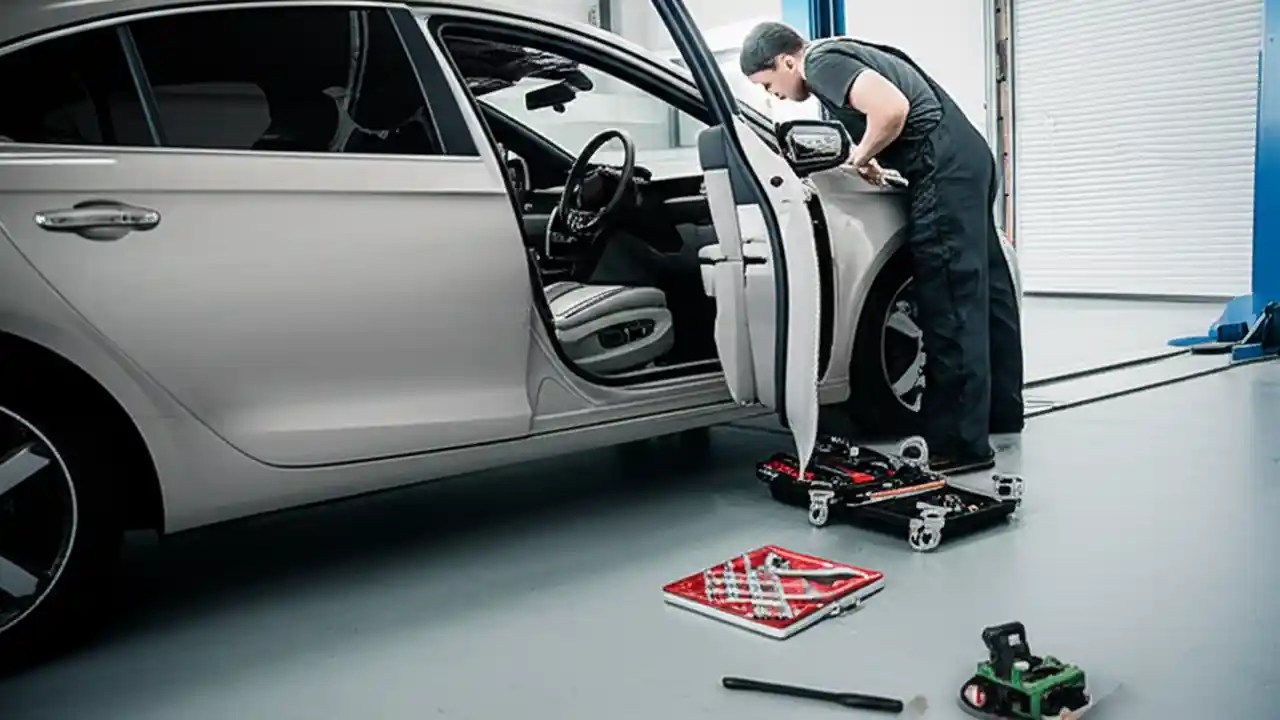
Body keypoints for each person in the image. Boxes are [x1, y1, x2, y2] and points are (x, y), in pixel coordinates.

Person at [739, 22, 1024, 473]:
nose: (774, 96)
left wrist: (858, 158)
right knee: (987, 292)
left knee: (949, 301)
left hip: (941, 167)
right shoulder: (845, 54)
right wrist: (873, 153)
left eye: (769, 84)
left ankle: (961, 443)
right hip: (967, 158)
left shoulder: (822, 63)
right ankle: (1001, 412)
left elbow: (891, 109)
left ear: (787, 61)